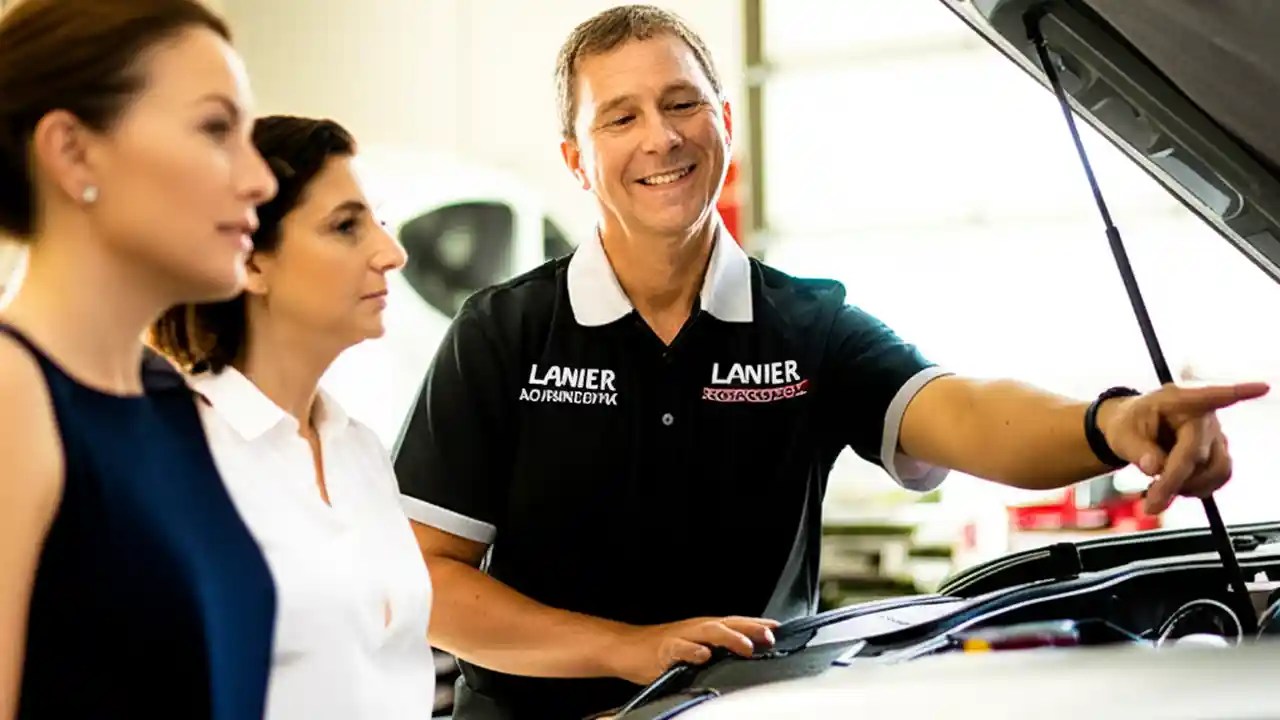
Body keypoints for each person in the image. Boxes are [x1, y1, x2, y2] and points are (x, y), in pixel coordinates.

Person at [392, 5, 1269, 719]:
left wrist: (1112, 422)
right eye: (619, 117)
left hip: (749, 710)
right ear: (576, 161)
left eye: (683, 103)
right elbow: (424, 581)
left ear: (724, 123)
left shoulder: (806, 323)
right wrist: (626, 648)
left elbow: (961, 412)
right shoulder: (502, 334)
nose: (660, 137)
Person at [0, 1, 280, 718]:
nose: (260, 180)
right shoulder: (12, 393)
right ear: (72, 151)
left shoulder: (171, 400)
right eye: (216, 128)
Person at [149, 115, 434, 720]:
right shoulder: (178, 456)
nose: (392, 252)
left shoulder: (359, 450)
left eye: (377, 222)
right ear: (250, 261)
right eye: (346, 227)